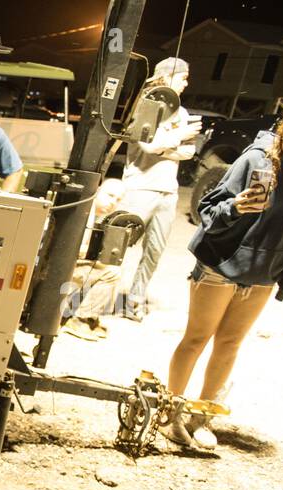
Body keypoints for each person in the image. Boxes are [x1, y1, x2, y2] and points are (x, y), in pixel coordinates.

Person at [161, 101, 283, 449]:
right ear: (282, 132)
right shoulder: (255, 159)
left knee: (229, 344)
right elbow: (206, 210)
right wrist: (235, 206)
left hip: (264, 271)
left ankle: (201, 416)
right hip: (221, 262)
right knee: (197, 339)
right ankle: (169, 412)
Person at [121, 58, 200, 322]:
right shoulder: (147, 105)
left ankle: (135, 298)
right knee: (118, 245)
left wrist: (165, 144)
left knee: (154, 250)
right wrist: (175, 140)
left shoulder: (183, 113)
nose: (186, 82)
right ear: (166, 77)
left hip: (168, 189)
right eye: (183, 76)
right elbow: (147, 146)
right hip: (140, 185)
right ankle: (92, 297)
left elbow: (189, 152)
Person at [61, 178, 127, 341]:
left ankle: (91, 316)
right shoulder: (85, 211)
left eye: (118, 200)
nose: (113, 202)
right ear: (97, 191)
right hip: (62, 267)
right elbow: (76, 250)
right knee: (111, 272)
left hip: (71, 264)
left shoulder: (94, 213)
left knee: (110, 264)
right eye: (110, 195)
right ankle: (82, 318)